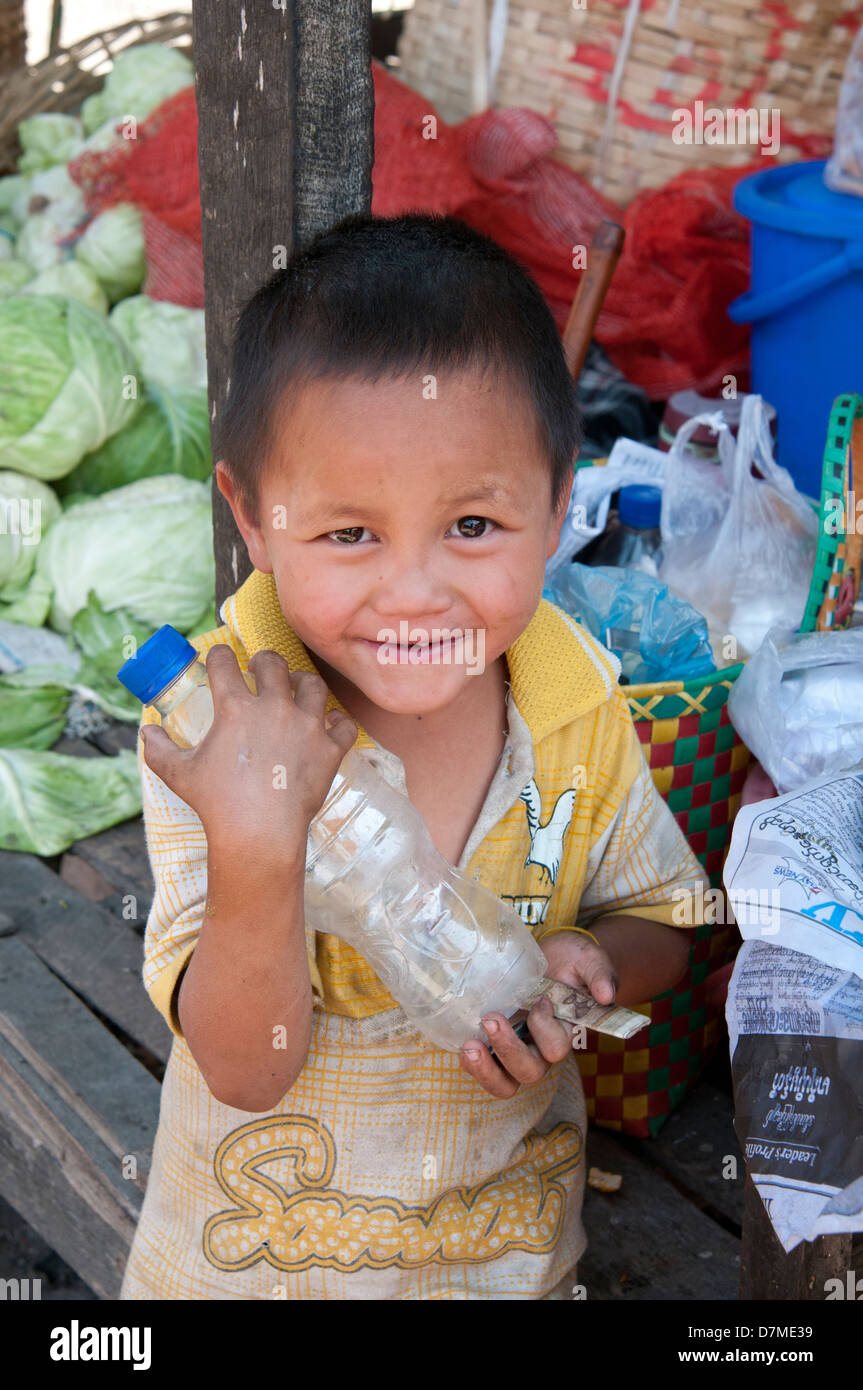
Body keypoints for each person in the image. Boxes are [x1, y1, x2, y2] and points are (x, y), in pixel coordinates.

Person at [120, 212, 708, 1300]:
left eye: (473, 526)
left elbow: (668, 916)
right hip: (262, 1270)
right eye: (349, 535)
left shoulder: (571, 701)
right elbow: (246, 1067)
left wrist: (594, 956)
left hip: (505, 1260)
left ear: (555, 507)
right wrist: (260, 844)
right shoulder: (215, 731)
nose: (414, 593)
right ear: (252, 520)